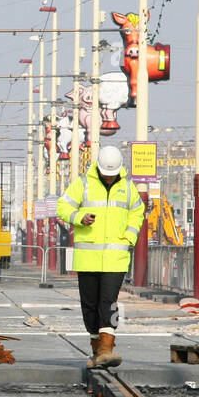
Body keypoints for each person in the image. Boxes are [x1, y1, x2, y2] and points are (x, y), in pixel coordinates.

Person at [56, 146, 145, 369]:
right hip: (88, 258)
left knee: (109, 301)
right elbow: (62, 206)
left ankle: (107, 348)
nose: (108, 176)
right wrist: (78, 217)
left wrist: (129, 238)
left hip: (116, 257)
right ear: (98, 166)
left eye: (112, 173)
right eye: (106, 172)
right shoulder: (83, 183)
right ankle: (96, 349)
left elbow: (137, 213)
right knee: (90, 305)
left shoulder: (127, 187)